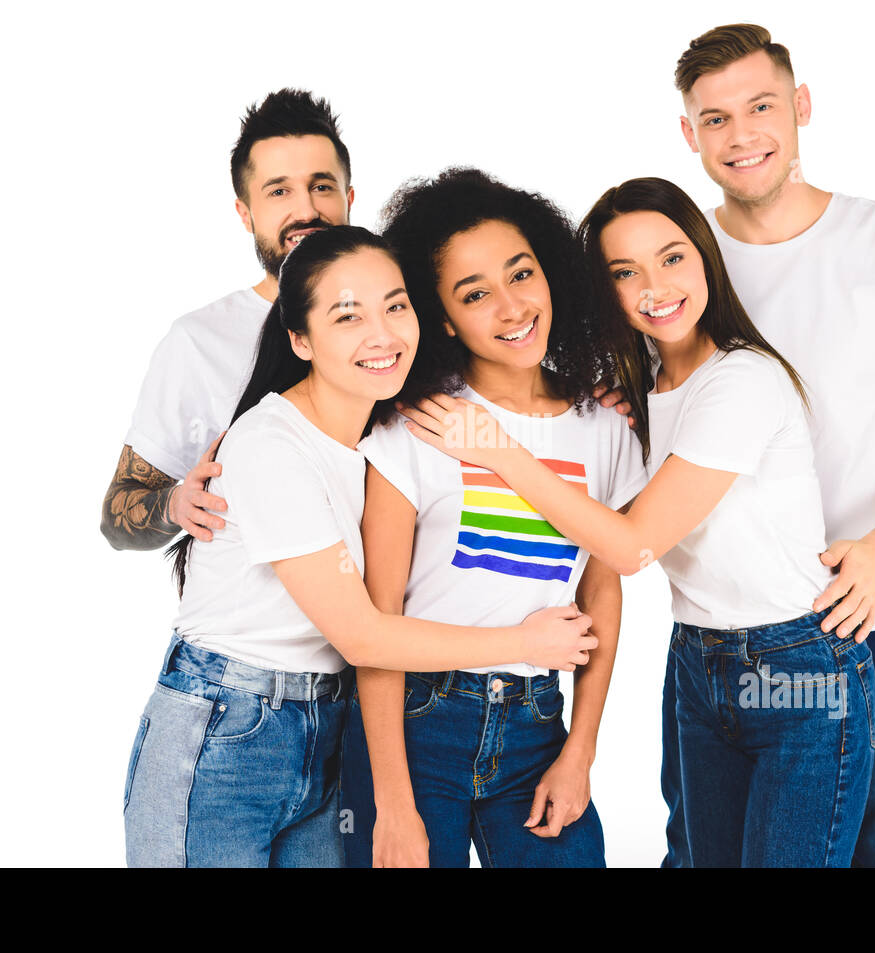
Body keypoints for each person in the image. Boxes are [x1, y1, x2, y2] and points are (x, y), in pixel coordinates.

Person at [400, 177, 875, 867]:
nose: (655, 286)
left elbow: (629, 548)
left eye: (673, 257)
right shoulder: (636, 391)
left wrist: (497, 448)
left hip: (797, 664)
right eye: (625, 272)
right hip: (699, 661)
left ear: (706, 256)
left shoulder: (742, 381)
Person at [123, 226, 597, 867]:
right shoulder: (271, 444)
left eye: (396, 306)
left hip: (326, 732)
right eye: (348, 316)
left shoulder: (383, 433)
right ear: (300, 339)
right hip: (226, 731)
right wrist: (527, 643)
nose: (383, 334)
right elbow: (363, 637)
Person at [671, 23, 875, 866]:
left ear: (800, 107)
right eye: (716, 118)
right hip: (724, 632)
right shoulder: (676, 260)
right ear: (689, 135)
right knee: (703, 850)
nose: (742, 135)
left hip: (871, 613)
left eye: (761, 106)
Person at [341, 169, 648, 868]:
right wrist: (391, 803)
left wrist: (581, 751)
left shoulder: (602, 426)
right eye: (475, 294)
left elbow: (602, 589)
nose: (512, 308)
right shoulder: (412, 425)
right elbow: (376, 622)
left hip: (536, 728)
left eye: (522, 274)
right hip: (420, 729)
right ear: (442, 317)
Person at [101, 89, 355, 551]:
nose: (306, 211)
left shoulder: (400, 329)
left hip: (378, 623)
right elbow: (116, 516)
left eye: (322, 186)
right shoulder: (198, 342)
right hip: (232, 622)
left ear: (349, 197)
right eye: (279, 191)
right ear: (245, 213)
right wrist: (176, 504)